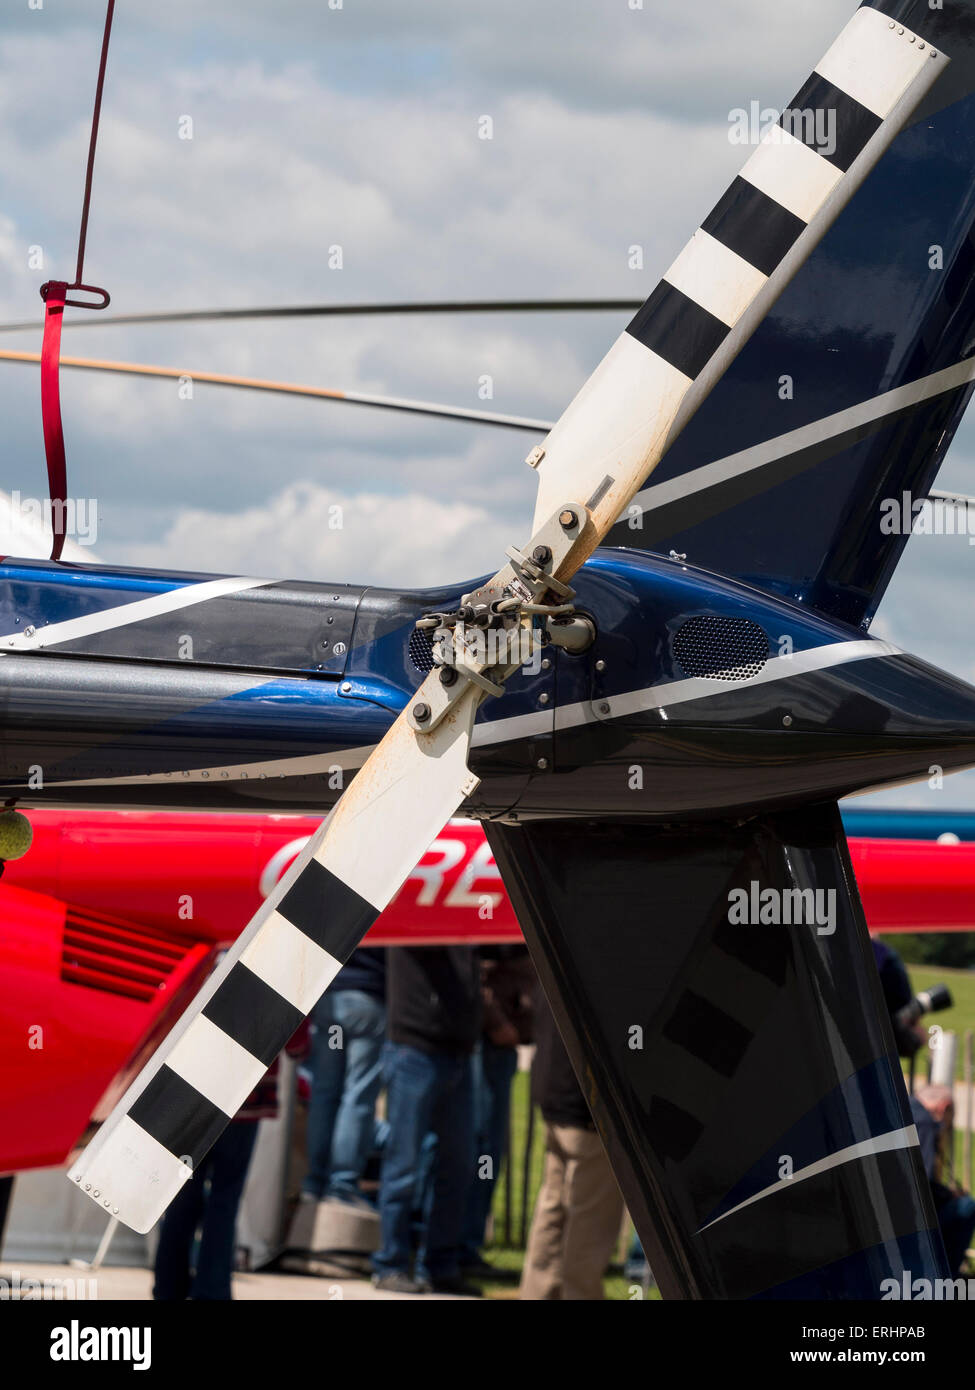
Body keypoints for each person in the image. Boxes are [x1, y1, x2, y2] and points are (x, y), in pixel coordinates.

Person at [153, 1024, 308, 1300]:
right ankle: (211, 1291)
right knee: (224, 1199)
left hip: (194, 1089)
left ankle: (169, 1286)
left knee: (182, 1194)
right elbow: (297, 1042)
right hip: (245, 1095)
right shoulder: (283, 978)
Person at [372, 945, 482, 1295]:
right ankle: (390, 1263)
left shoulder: (468, 911)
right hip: (414, 1046)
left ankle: (439, 1265)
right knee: (402, 1165)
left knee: (458, 1165)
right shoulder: (418, 898)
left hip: (458, 1051)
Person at [520, 986, 623, 1300]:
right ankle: (577, 1294)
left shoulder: (561, 951)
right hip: (582, 1106)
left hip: (557, 1096)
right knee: (589, 1218)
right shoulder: (594, 965)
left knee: (554, 1206)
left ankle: (538, 1292)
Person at [461, 945, 535, 1275]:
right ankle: (459, 1247)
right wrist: (497, 1022)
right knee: (478, 1148)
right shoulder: (487, 912)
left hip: (499, 1044)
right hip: (487, 1041)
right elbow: (474, 971)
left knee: (488, 1151)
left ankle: (466, 1246)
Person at [302, 947, 386, 1207]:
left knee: (324, 1095)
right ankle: (341, 1185)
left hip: (331, 993)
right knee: (357, 1097)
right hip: (369, 994)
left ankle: (314, 1183)